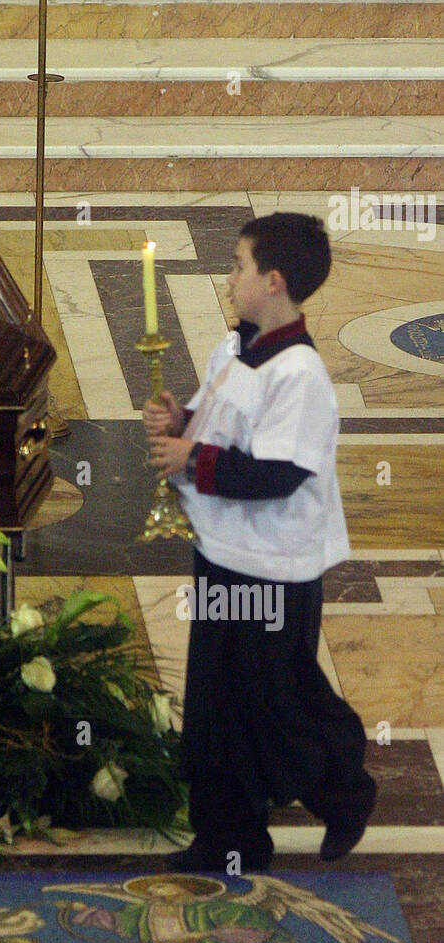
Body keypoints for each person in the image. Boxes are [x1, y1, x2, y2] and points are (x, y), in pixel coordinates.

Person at [143, 212, 376, 872]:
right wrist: (181, 421)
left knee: (279, 697)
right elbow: (220, 427)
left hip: (273, 565)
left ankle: (342, 791)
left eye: (238, 266)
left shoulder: (298, 375)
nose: (228, 277)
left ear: (272, 281)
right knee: (217, 699)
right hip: (222, 551)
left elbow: (279, 472)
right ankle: (229, 837)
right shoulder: (234, 347)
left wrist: (190, 455)